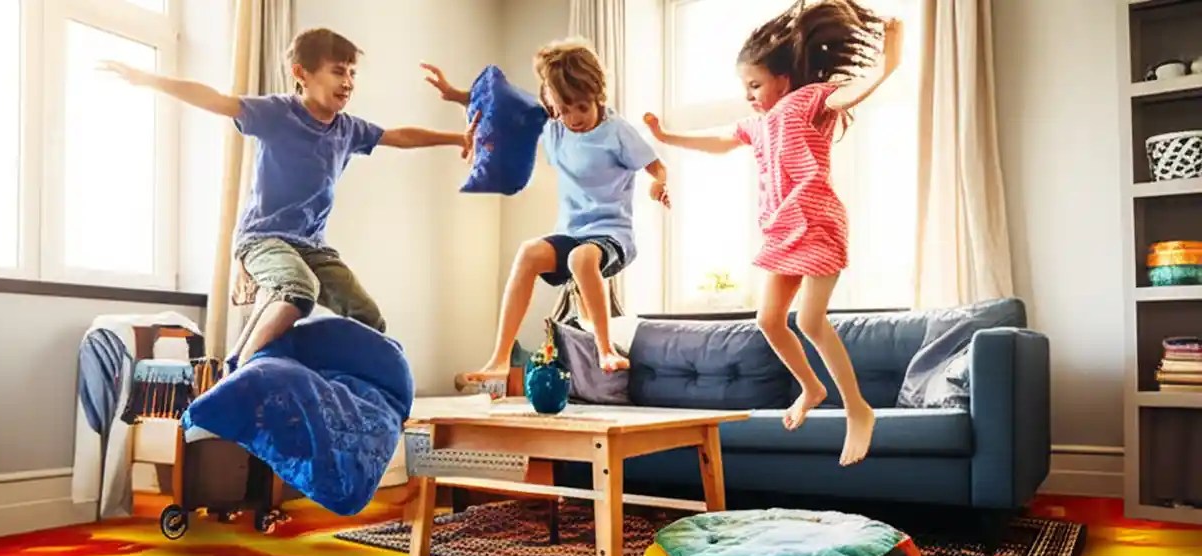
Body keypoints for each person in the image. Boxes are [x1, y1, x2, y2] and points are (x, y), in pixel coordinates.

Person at [101, 27, 480, 367]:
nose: (348, 81)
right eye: (337, 71)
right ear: (301, 73)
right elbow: (216, 100)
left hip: (313, 246)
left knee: (369, 319)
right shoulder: (277, 113)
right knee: (298, 291)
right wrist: (149, 79)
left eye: (352, 73)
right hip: (264, 238)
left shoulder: (348, 129)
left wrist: (456, 139)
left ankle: (338, 388)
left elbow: (399, 136)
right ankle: (240, 371)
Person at [643, 1, 903, 466]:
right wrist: (668, 136)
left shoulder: (807, 102)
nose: (749, 95)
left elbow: (853, 93)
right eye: (745, 87)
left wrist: (891, 58)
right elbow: (720, 142)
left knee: (809, 321)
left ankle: (858, 409)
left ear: (783, 80)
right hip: (784, 232)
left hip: (819, 222)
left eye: (755, 85)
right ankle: (812, 386)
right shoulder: (759, 125)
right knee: (768, 319)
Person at [421, 38, 671, 390]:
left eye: (582, 108)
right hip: (571, 231)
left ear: (598, 94)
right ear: (551, 103)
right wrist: (456, 95)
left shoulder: (616, 132)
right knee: (528, 252)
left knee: (583, 259)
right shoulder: (552, 125)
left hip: (612, 234)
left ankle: (604, 349)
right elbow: (498, 108)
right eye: (563, 110)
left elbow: (657, 167)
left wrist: (657, 185)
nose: (573, 119)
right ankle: (499, 358)